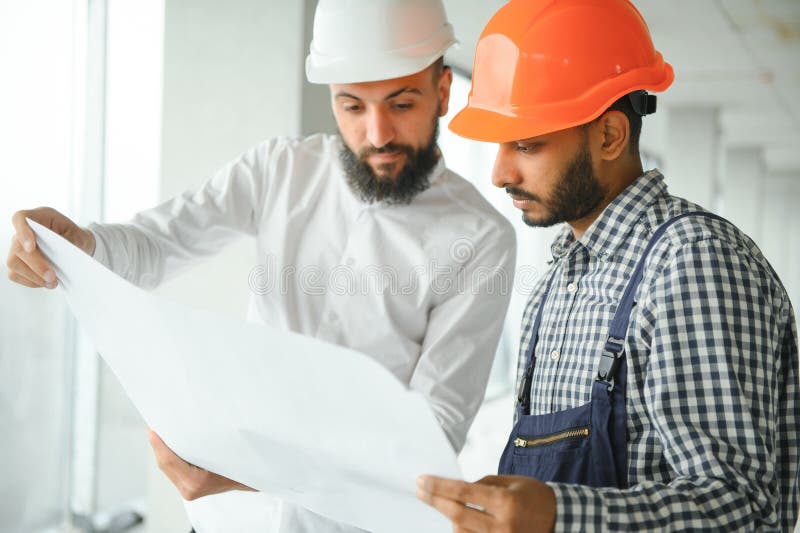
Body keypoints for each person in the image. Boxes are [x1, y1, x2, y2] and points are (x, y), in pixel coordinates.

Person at [6, 0, 516, 531]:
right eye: (352, 106)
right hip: (228, 520)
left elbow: (428, 441)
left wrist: (252, 473)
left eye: (401, 104)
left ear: (442, 91)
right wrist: (79, 245)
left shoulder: (480, 239)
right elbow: (159, 244)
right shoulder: (281, 169)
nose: (377, 134)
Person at [416, 0, 799, 531]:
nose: (500, 173)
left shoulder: (691, 263)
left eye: (526, 144)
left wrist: (558, 515)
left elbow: (741, 508)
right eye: (500, 145)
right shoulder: (557, 281)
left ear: (610, 136)